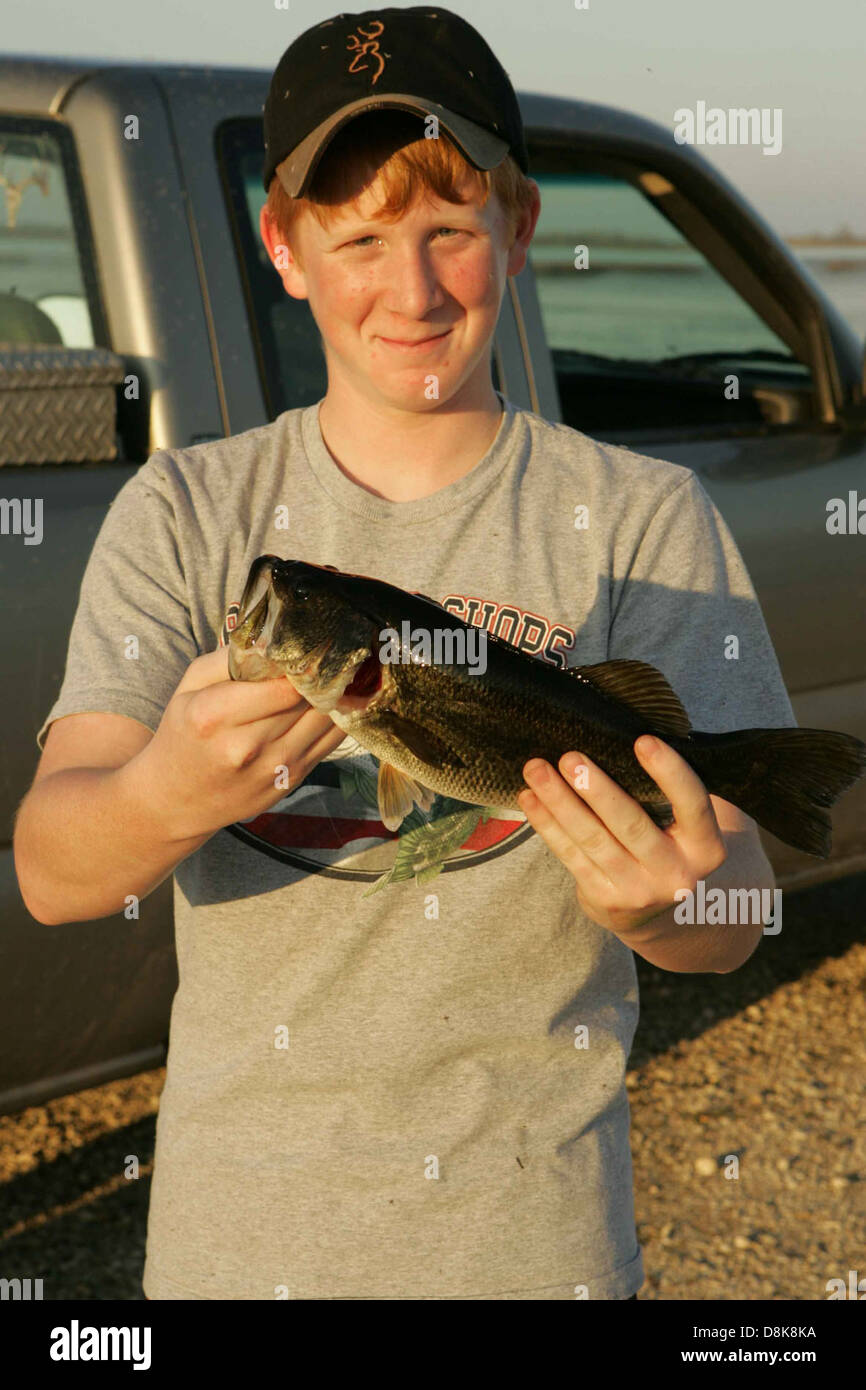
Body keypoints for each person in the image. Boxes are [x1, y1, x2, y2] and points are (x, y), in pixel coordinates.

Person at [16, 7, 795, 1301]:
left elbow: (743, 906)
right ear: (284, 246)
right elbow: (51, 870)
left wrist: (666, 904)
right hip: (236, 1251)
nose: (413, 287)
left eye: (449, 230)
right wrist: (165, 795)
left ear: (520, 228)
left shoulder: (646, 520)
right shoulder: (187, 512)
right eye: (360, 238)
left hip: (533, 1248)